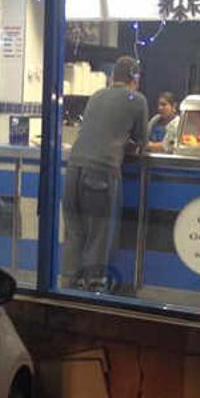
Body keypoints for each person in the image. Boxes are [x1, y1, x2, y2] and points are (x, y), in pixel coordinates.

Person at [62, 56, 148, 291]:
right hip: (101, 172)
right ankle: (92, 295)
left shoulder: (97, 95)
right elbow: (142, 142)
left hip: (73, 170)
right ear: (135, 78)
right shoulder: (136, 99)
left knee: (74, 234)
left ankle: (66, 291)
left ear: (112, 77)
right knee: (98, 237)